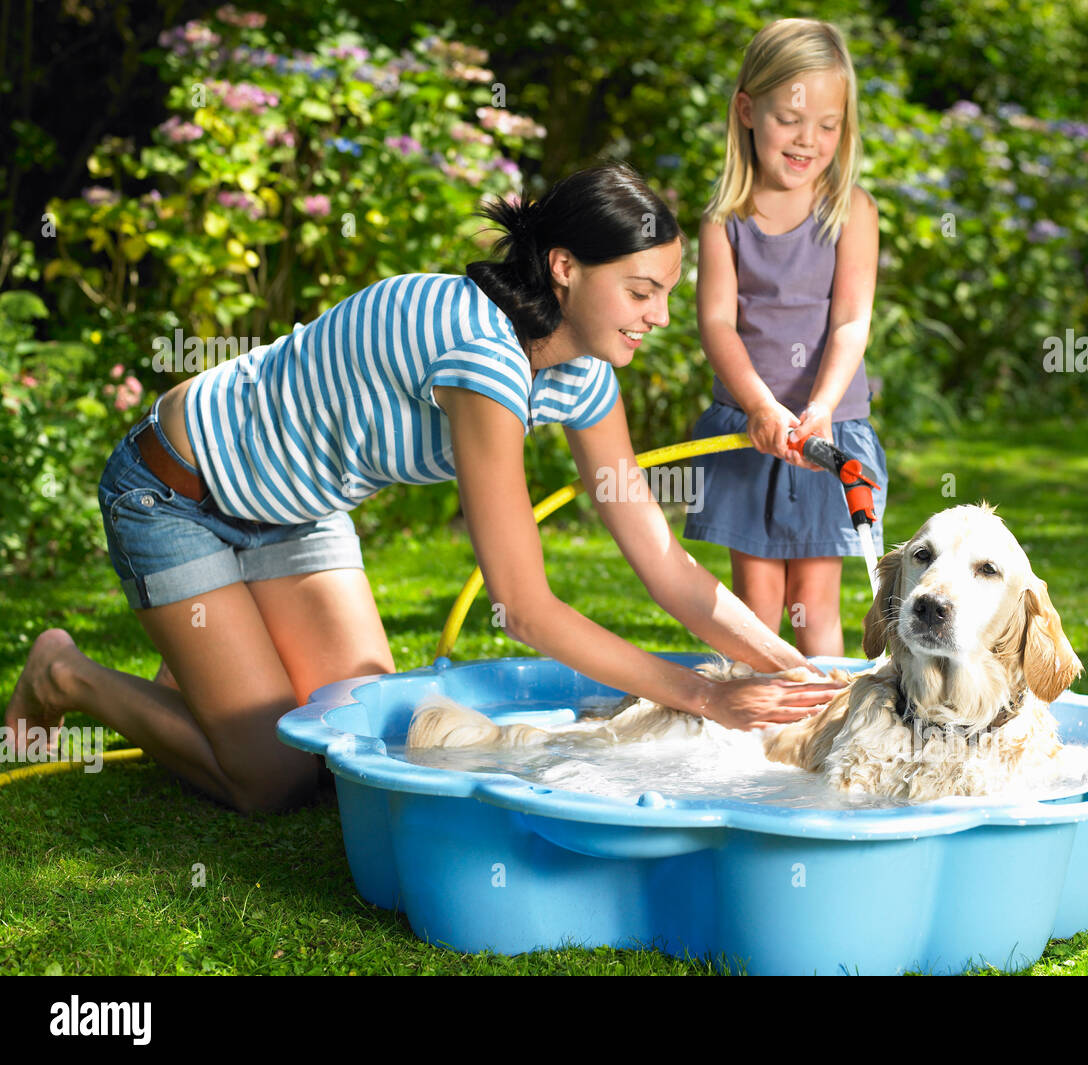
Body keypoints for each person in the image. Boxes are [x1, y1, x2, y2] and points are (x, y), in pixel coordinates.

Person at [3, 163, 844, 814]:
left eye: (666, 289)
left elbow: (663, 564)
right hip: (178, 494)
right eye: (641, 290)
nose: (661, 316)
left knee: (351, 740)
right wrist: (702, 693)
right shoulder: (479, 353)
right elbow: (523, 604)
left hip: (295, 513)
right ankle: (65, 674)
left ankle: (208, 660)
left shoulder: (584, 378)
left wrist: (794, 668)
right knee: (273, 777)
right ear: (563, 268)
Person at [684, 18, 889, 657]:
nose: (808, 140)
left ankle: (818, 726)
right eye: (790, 120)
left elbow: (852, 319)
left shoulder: (852, 210)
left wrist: (820, 408)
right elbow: (716, 323)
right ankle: (749, 725)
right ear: (747, 110)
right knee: (757, 597)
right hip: (752, 430)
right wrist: (759, 406)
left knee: (817, 598)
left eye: (828, 126)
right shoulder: (725, 221)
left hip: (829, 430)